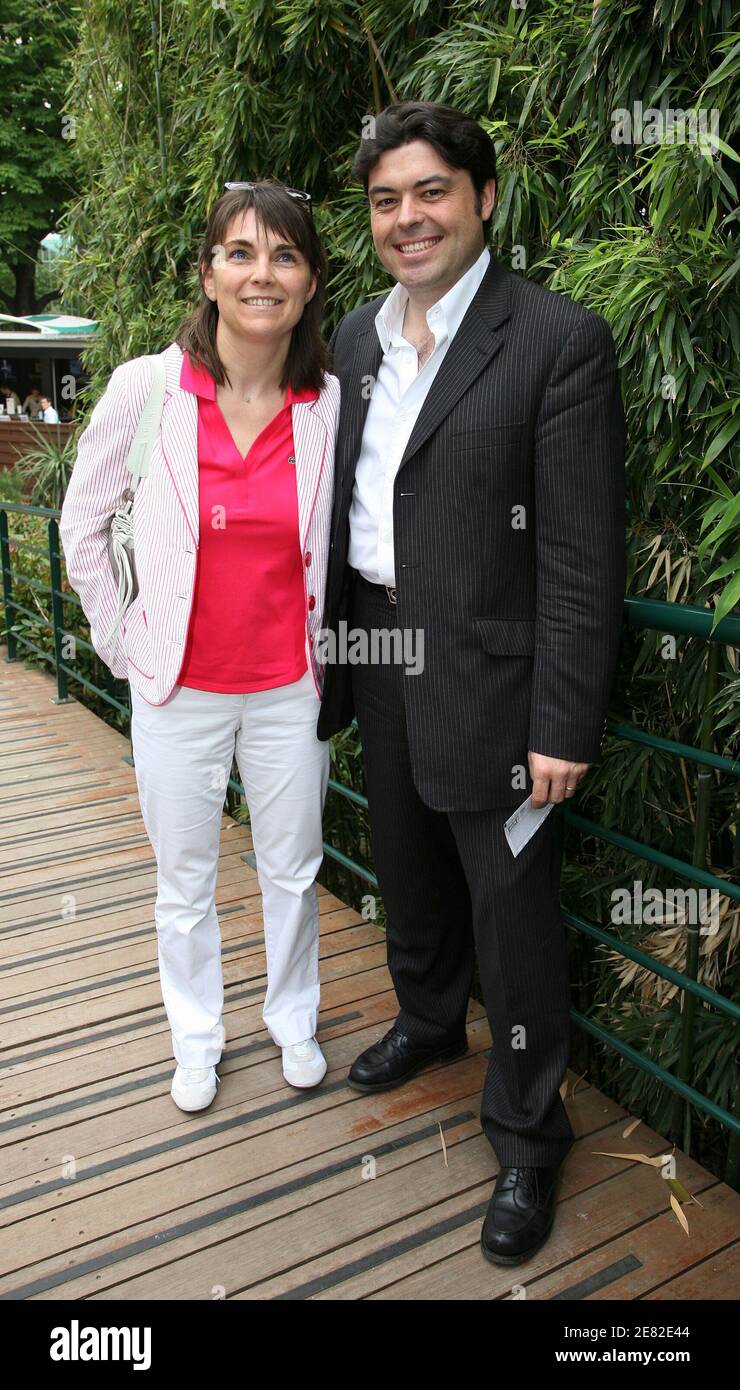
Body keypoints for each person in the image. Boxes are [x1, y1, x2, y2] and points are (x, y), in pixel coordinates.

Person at [318, 102, 626, 1266]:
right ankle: (428, 1021)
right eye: (387, 199)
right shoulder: (350, 338)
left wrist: (560, 719)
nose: (408, 218)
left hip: (497, 687)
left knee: (511, 920)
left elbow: (579, 557)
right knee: (403, 864)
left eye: (431, 191)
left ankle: (527, 1136)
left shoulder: (555, 340)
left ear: (481, 198)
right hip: (377, 654)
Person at [60, 181, 339, 1112]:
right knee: (183, 881)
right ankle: (196, 1034)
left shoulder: (329, 402)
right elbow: (82, 522)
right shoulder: (149, 389)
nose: (264, 274)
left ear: (308, 282)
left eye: (285, 256)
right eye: (242, 254)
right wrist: (120, 641)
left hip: (292, 684)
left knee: (294, 868)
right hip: (177, 686)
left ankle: (292, 1017)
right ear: (210, 273)